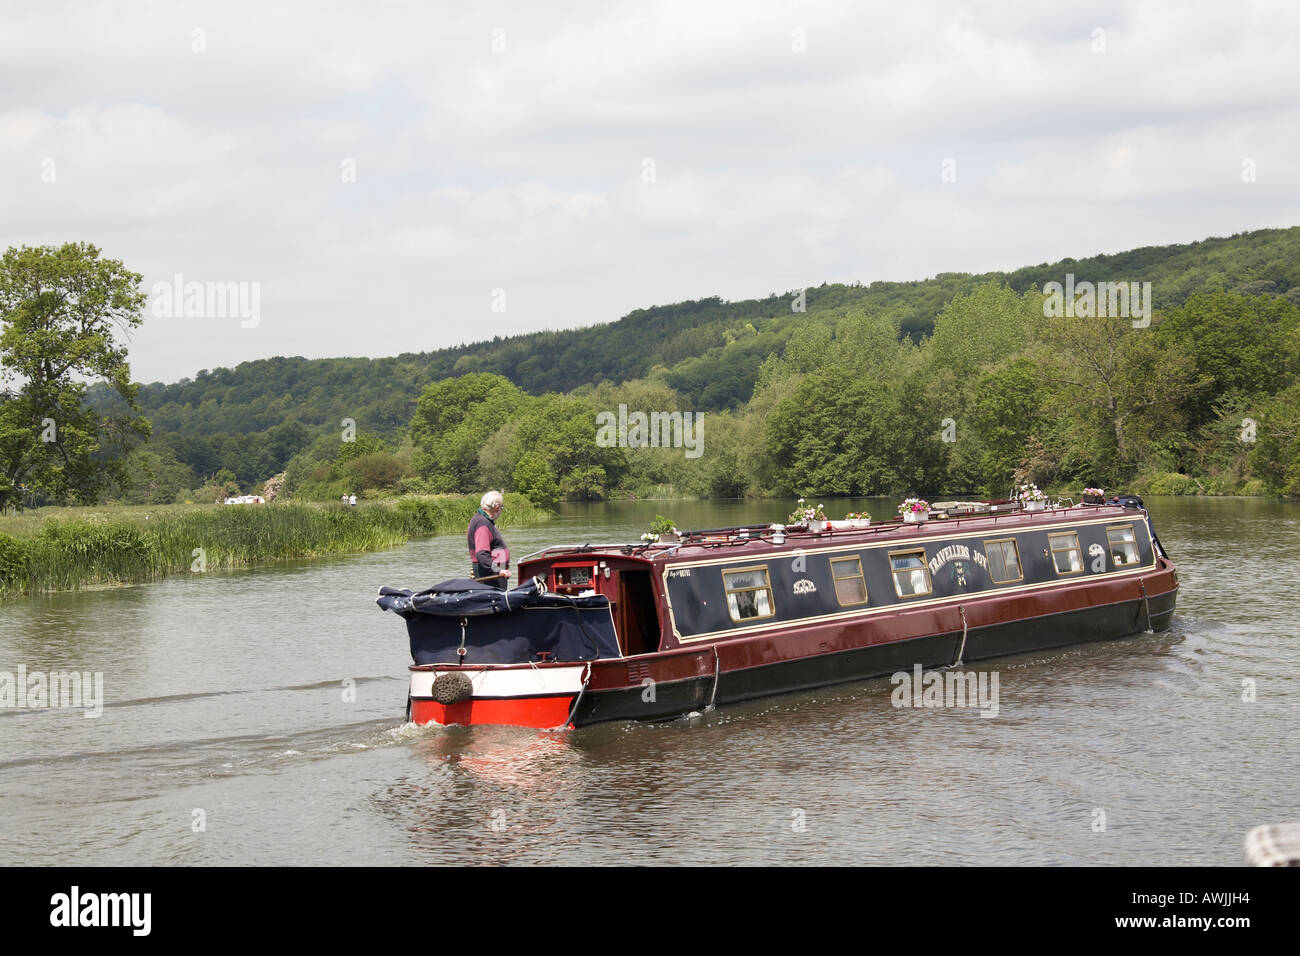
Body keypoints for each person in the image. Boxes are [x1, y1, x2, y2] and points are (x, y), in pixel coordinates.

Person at [467, 491, 509, 589]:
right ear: (497, 507)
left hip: (491, 573)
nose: (501, 510)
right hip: (490, 575)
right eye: (501, 507)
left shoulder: (480, 519)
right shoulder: (482, 523)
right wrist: (499, 570)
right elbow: (481, 554)